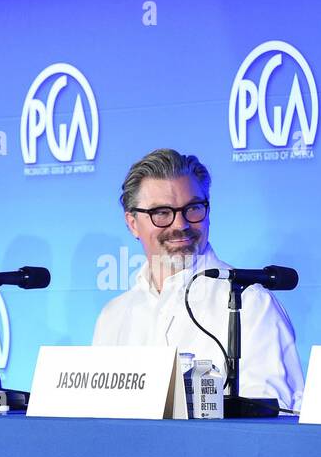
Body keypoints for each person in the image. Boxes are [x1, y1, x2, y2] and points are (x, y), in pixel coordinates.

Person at [92, 149, 304, 411]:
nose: (180, 224)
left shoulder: (251, 305)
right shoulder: (114, 316)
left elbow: (271, 419)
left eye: (192, 208)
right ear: (133, 223)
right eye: (161, 213)